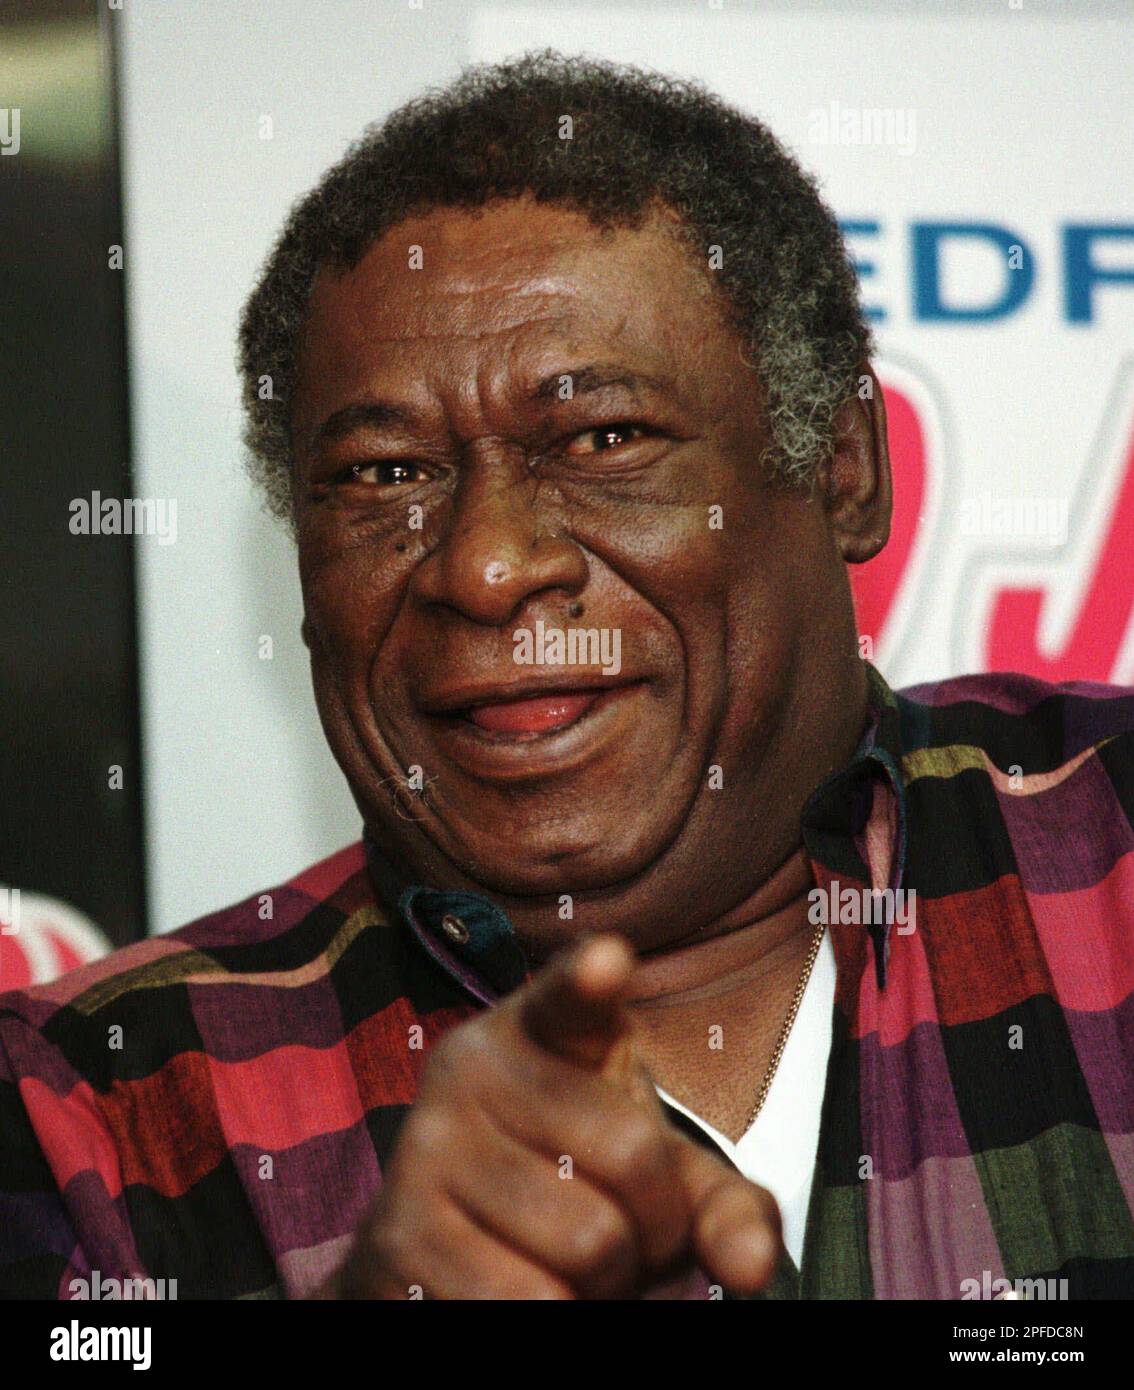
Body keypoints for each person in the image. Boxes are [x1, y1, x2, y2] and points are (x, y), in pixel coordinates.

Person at [3, 52, 1132, 1301]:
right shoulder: (94, 1111)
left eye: (604, 439)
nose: (486, 568)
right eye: (385, 473)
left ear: (843, 467)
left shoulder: (1114, 849)